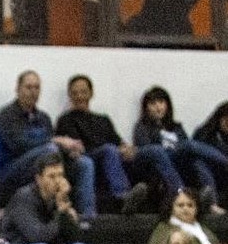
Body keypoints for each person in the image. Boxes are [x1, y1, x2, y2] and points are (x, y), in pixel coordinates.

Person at [55, 75, 167, 215]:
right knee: (109, 150)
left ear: (91, 93)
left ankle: (168, 199)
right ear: (70, 95)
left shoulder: (103, 119)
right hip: (87, 158)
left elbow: (118, 142)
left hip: (110, 157)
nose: (79, 96)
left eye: (83, 92)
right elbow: (74, 148)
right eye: (75, 93)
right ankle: (123, 196)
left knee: (148, 152)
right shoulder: (65, 120)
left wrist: (127, 149)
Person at [0, 71, 96, 214]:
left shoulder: (43, 118)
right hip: (10, 171)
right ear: (17, 89)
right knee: (50, 151)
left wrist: (69, 151)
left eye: (37, 88)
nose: (33, 92)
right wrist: (57, 141)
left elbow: (53, 146)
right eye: (28, 87)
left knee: (84, 163)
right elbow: (19, 145)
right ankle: (56, 207)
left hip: (40, 163)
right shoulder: (7, 115)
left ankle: (88, 218)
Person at [134, 86, 228, 213]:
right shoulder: (142, 127)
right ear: (146, 108)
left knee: (196, 160)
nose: (158, 107)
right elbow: (146, 149)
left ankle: (211, 203)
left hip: (177, 163)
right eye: (153, 103)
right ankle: (181, 195)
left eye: (161, 102)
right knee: (188, 145)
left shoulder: (176, 127)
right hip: (157, 161)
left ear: (167, 105)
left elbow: (186, 151)